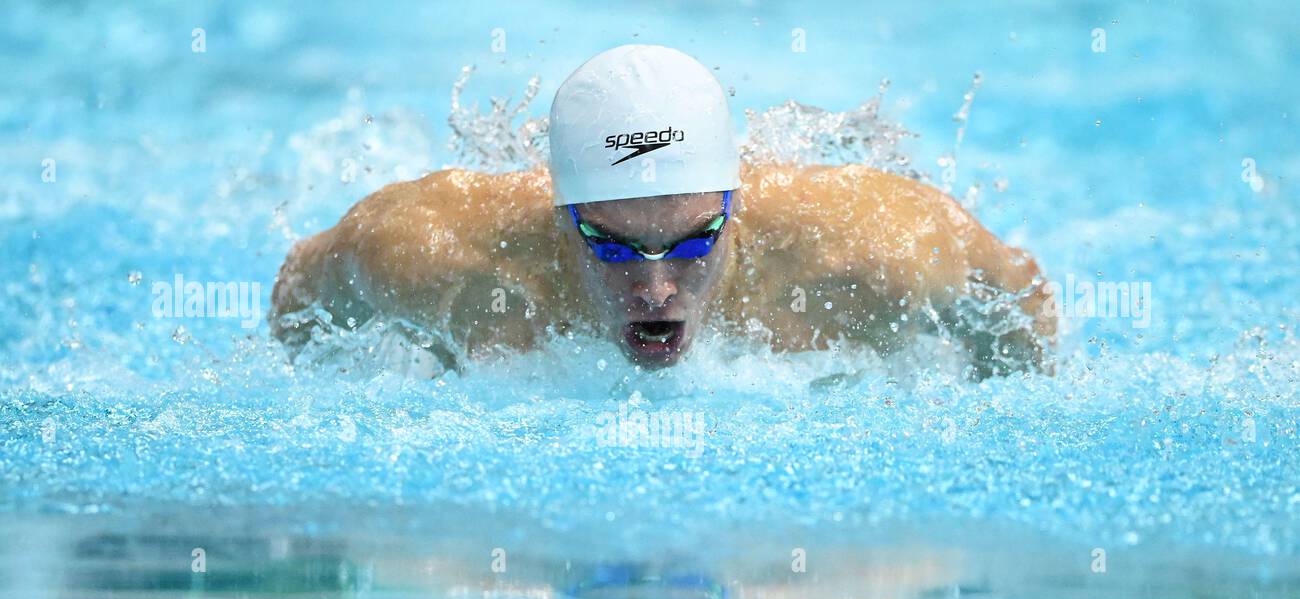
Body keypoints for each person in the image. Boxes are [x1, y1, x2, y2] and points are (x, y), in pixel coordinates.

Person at [270, 44, 1054, 377]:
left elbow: (1022, 302)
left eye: (691, 241)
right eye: (612, 247)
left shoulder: (878, 246)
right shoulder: (430, 248)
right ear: (559, 218)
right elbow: (303, 286)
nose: (654, 290)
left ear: (733, 207)